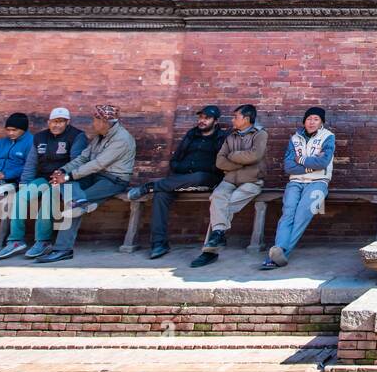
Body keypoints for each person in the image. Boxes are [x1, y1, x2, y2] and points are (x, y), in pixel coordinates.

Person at [126, 106, 227, 259]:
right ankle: (159, 244)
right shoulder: (191, 135)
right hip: (180, 179)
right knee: (161, 195)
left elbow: (221, 164)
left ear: (215, 121)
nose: (202, 121)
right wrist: (179, 167)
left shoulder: (221, 137)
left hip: (207, 178)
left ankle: (150, 187)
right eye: (200, 118)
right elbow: (176, 159)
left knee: (198, 176)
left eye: (206, 118)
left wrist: (200, 169)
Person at [39, 105, 136, 264]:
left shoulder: (122, 139)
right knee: (62, 185)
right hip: (96, 175)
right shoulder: (100, 136)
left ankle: (62, 249)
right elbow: (83, 158)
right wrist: (62, 171)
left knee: (74, 206)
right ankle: (80, 201)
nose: (93, 123)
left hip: (114, 180)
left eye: (95, 120)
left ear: (105, 121)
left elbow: (98, 163)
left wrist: (69, 176)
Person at [0, 108, 86, 260]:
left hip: (64, 181)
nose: (57, 125)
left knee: (49, 197)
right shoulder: (40, 137)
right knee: (20, 197)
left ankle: (43, 241)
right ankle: (16, 241)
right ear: (48, 122)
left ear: (67, 122)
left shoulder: (77, 136)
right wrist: (24, 183)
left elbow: (77, 161)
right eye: (54, 121)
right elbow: (31, 162)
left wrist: (62, 175)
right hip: (43, 178)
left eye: (61, 121)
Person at [192, 105, 267, 268]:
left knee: (221, 207)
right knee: (218, 198)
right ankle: (218, 235)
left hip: (252, 181)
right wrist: (242, 164)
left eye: (235, 117)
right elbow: (220, 161)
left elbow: (255, 156)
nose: (232, 120)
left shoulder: (260, 134)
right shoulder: (230, 136)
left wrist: (233, 157)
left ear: (246, 119)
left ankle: (209, 251)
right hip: (229, 180)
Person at [262, 107, 335, 270]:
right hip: (295, 182)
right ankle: (278, 251)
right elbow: (289, 167)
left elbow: (322, 163)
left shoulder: (328, 137)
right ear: (304, 121)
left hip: (319, 183)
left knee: (303, 214)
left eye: (316, 119)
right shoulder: (295, 138)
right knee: (287, 214)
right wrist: (310, 165)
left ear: (321, 121)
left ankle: (282, 253)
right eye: (309, 118)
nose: (312, 122)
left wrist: (300, 159)